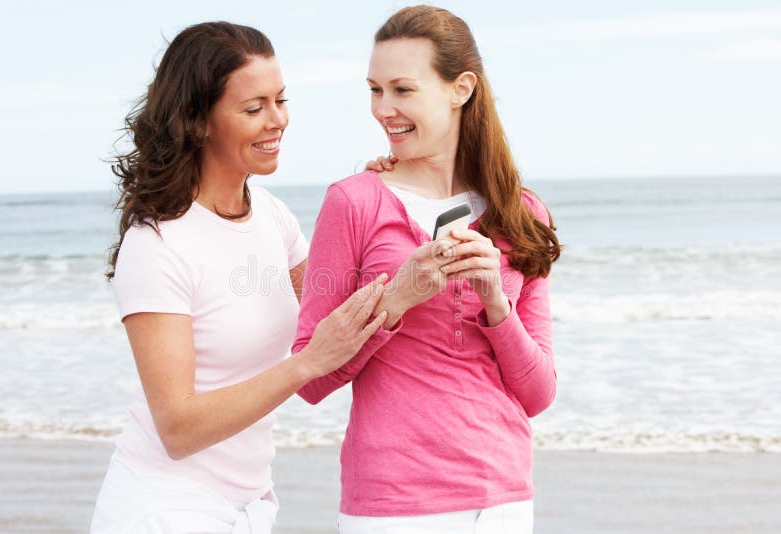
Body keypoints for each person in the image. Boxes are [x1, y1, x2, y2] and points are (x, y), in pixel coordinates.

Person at [90, 22, 390, 533]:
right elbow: (178, 429)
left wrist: (379, 193)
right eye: (254, 108)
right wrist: (304, 365)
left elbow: (343, 311)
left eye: (281, 100)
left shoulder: (271, 215)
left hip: (249, 505)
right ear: (198, 121)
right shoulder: (157, 244)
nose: (278, 120)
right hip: (166, 508)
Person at [292, 5, 561, 533]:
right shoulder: (354, 202)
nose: (383, 108)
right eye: (375, 90)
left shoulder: (522, 212)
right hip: (390, 505)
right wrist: (395, 301)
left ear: (461, 89)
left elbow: (539, 394)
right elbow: (311, 377)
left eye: (402, 90)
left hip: (502, 502)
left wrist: (496, 304)